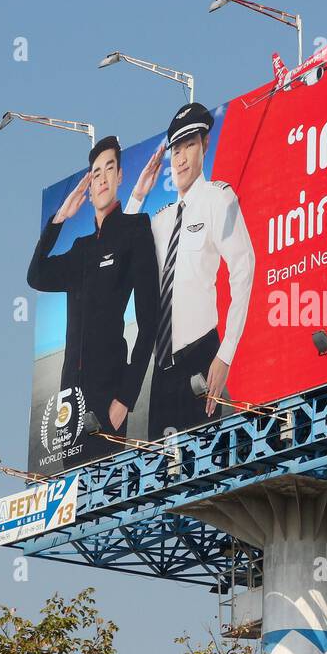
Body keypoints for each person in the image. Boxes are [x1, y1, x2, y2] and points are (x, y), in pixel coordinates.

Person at [130, 102, 255, 437]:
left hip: (201, 357)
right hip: (162, 369)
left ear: (205, 145)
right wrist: (138, 195)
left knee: (209, 461)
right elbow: (122, 250)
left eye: (189, 146)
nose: (181, 159)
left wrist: (225, 355)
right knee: (159, 466)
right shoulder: (161, 220)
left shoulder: (218, 199)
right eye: (176, 151)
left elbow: (243, 268)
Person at [27, 135, 159, 445]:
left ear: (120, 176)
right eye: (95, 173)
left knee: (108, 473)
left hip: (108, 393)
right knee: (72, 476)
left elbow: (150, 320)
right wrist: (59, 219)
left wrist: (125, 398)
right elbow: (36, 276)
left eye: (109, 169)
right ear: (88, 188)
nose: (101, 179)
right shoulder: (80, 250)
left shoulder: (136, 230)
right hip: (69, 397)